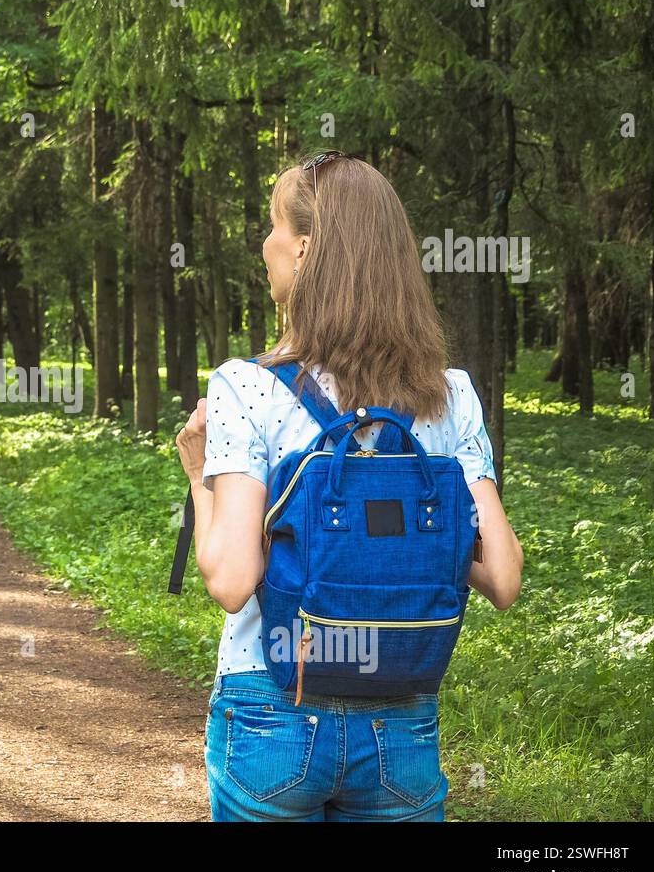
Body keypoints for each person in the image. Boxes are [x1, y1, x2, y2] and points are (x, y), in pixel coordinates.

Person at [174, 151, 525, 821]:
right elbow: (502, 577)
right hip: (401, 722)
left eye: (274, 227)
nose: (266, 244)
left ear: (304, 250)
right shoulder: (450, 399)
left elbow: (230, 581)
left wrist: (199, 480)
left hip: (274, 706)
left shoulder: (246, 386)